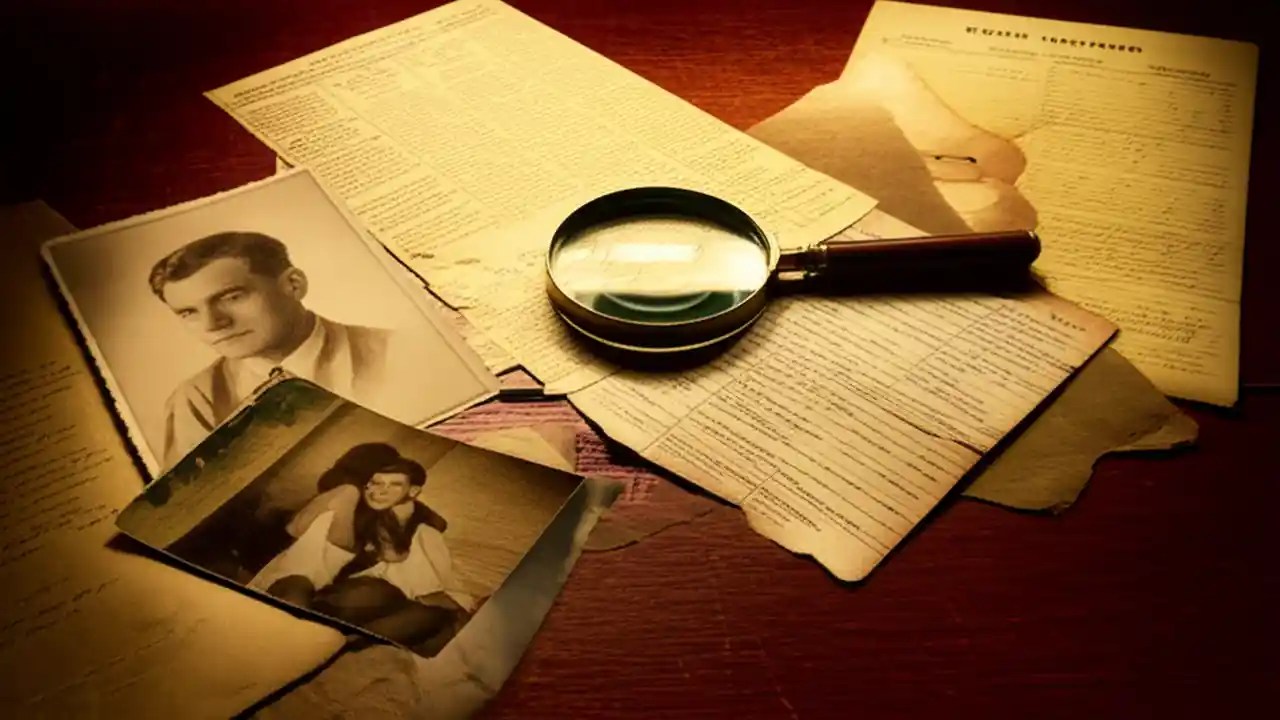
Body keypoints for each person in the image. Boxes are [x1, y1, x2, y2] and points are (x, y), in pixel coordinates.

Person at [150, 231, 397, 467]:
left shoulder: (394, 351)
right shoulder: (196, 398)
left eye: (232, 297)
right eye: (189, 312)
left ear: (293, 285)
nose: (212, 325)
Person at [249, 447, 474, 648]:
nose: (381, 490)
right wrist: (351, 494)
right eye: (375, 482)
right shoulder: (347, 498)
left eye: (394, 484)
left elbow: (396, 556)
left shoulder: (403, 522)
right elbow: (295, 529)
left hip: (343, 592)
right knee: (302, 590)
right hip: (298, 580)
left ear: (412, 491)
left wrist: (402, 514)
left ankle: (332, 646)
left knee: (417, 612)